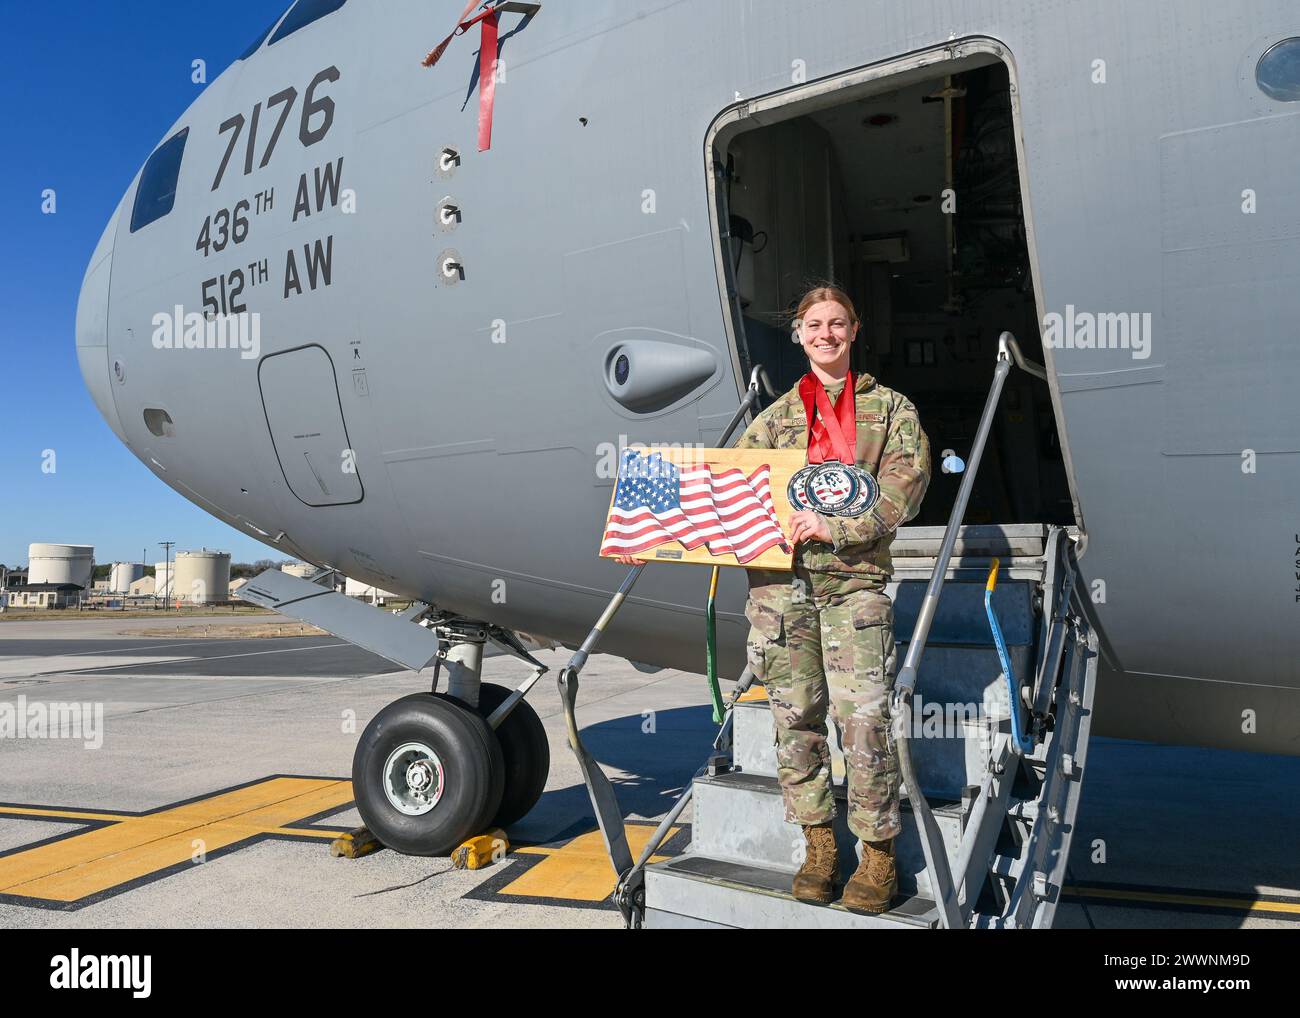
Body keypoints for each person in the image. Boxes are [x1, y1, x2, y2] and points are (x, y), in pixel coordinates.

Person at [734, 284, 931, 911]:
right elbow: (731, 500)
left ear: (854, 330)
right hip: (782, 591)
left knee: (865, 721)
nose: (826, 334)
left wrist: (838, 526)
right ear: (798, 334)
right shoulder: (772, 423)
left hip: (854, 586)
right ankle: (820, 847)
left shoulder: (890, 410)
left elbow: (906, 486)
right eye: (813, 324)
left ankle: (877, 856)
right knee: (796, 723)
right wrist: (663, 535)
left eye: (837, 323)